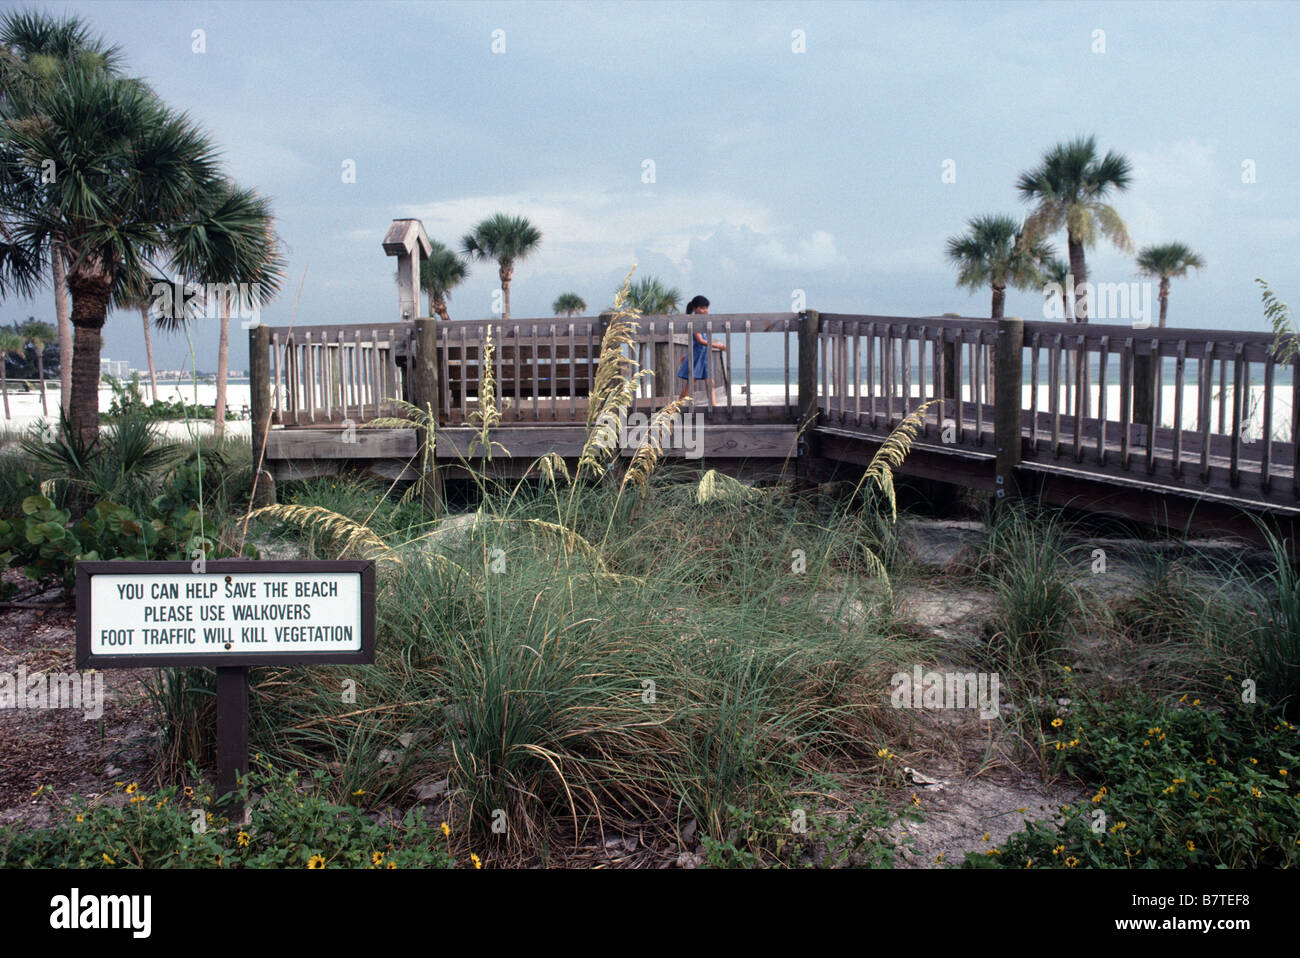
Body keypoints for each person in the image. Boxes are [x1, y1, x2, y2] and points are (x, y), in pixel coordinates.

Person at [676, 295, 726, 400]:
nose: (705, 310)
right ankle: (675, 408)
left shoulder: (703, 323)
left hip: (705, 357)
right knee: (691, 384)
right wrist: (719, 346)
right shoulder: (694, 322)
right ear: (694, 309)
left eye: (706, 308)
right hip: (698, 357)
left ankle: (714, 408)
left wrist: (687, 355)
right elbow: (700, 341)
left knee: (710, 383)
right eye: (702, 308)